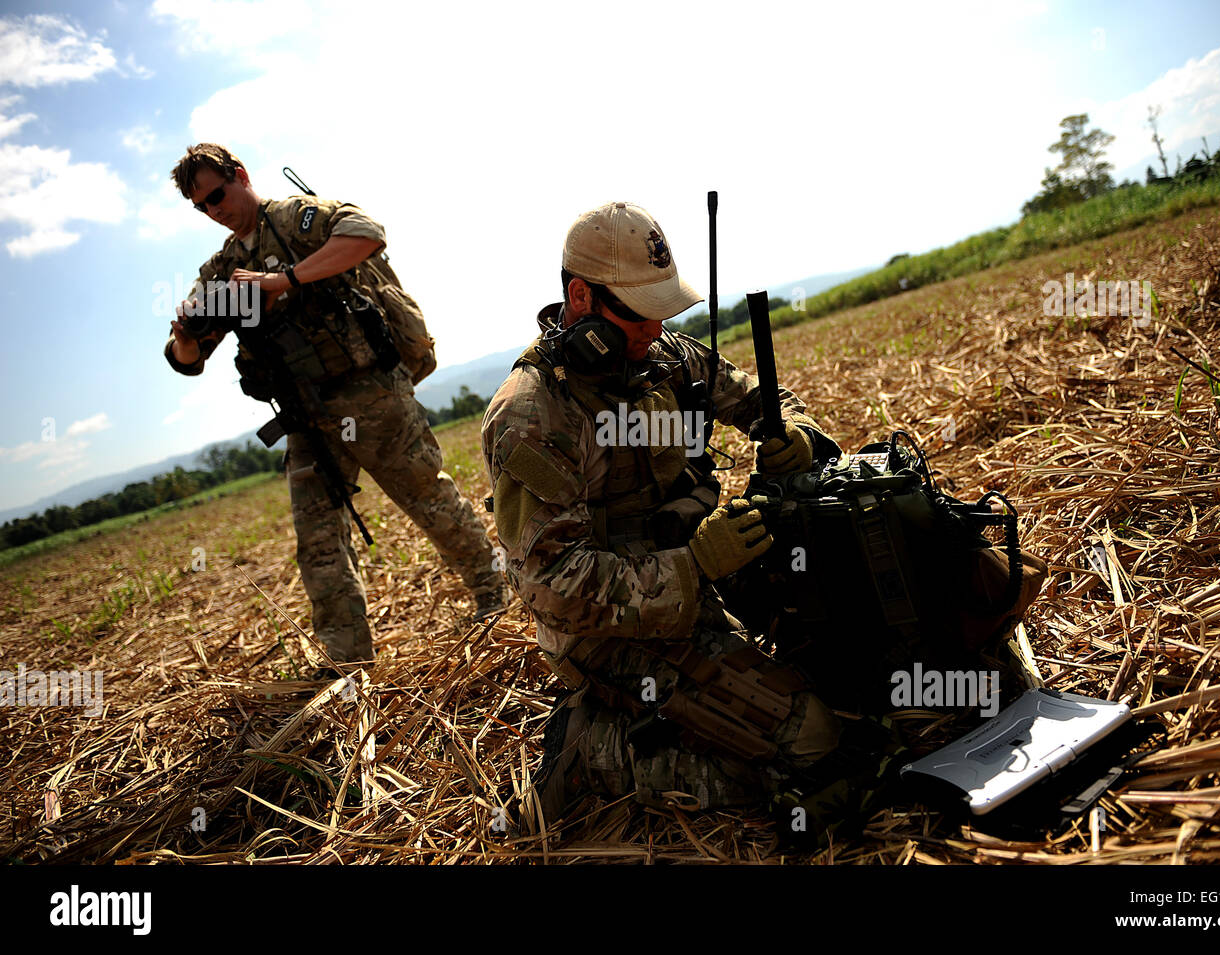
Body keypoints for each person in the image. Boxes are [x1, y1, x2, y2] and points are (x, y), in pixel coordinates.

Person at [482, 201, 872, 823]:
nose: (656, 328)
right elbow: (552, 588)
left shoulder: (662, 355)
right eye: (640, 312)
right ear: (581, 298)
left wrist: (793, 433)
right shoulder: (532, 415)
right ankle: (591, 753)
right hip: (609, 631)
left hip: (702, 568)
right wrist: (693, 567)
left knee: (858, 662)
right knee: (812, 745)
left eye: (664, 310)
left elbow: (762, 399)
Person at [165, 143, 506, 667]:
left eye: (218, 195)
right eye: (202, 206)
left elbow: (366, 234)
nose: (215, 210)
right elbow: (187, 361)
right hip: (306, 416)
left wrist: (283, 280)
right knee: (319, 541)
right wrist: (187, 334)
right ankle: (347, 660)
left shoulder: (295, 220)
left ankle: (495, 593)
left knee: (428, 501)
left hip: (369, 394)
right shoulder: (222, 271)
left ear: (241, 176)